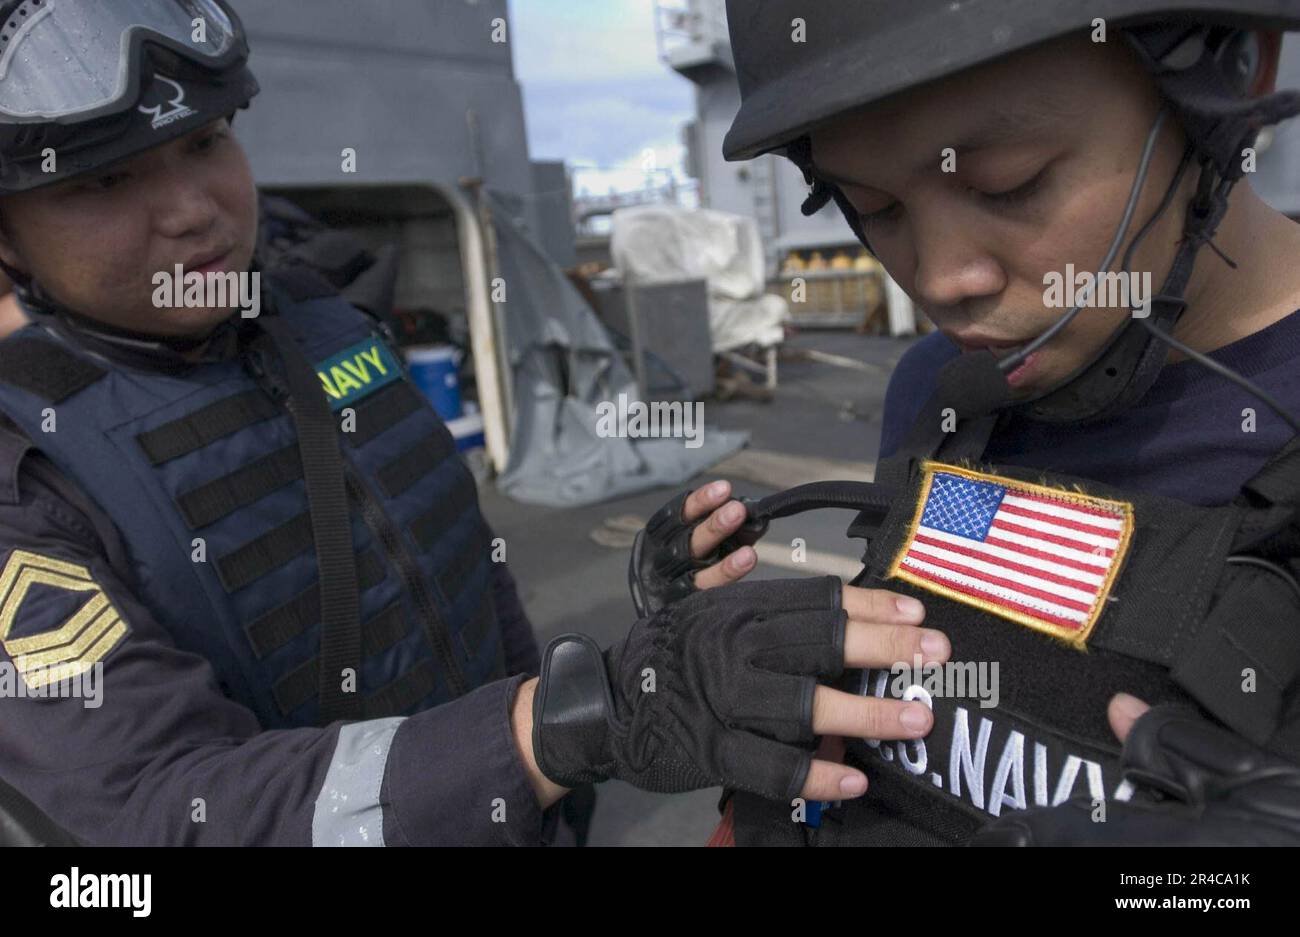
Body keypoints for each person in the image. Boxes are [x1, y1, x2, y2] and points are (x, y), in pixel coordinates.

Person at [0, 0, 944, 846]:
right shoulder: (30, 477)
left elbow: (460, 559)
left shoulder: (321, 324)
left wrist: (618, 662)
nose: (191, 210)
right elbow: (157, 809)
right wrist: (571, 721)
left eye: (205, 144)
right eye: (104, 182)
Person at [640, 0, 1300, 845]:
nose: (943, 279)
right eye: (874, 206)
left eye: (1010, 182)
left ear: (1238, 73)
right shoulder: (938, 392)